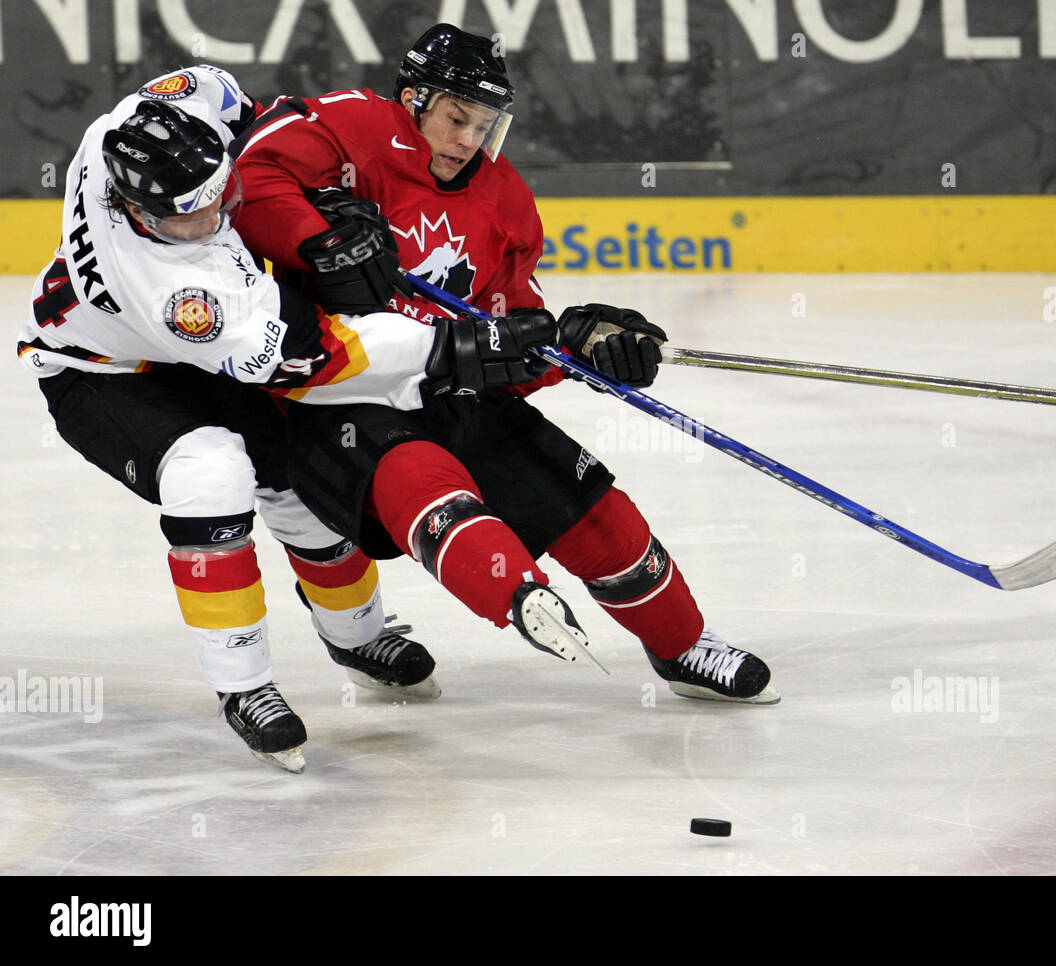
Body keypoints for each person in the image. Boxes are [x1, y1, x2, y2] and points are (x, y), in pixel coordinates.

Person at [232, 24, 780, 704]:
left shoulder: (503, 198)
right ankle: (502, 598)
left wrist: (580, 350)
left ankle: (684, 644)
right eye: (457, 118)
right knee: (419, 487)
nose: (469, 141)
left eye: (485, 124)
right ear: (412, 99)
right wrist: (318, 242)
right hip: (339, 389)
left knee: (596, 512)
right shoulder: (352, 126)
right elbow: (249, 175)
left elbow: (510, 334)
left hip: (453, 382)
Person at [17, 65, 449, 773]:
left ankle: (355, 635)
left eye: (222, 194)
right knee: (212, 472)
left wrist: (305, 200)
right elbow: (327, 356)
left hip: (178, 352)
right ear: (140, 214)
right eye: (192, 214)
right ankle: (245, 687)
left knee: (298, 476)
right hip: (103, 377)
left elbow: (236, 105)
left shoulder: (127, 129)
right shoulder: (182, 294)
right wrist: (463, 347)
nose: (214, 218)